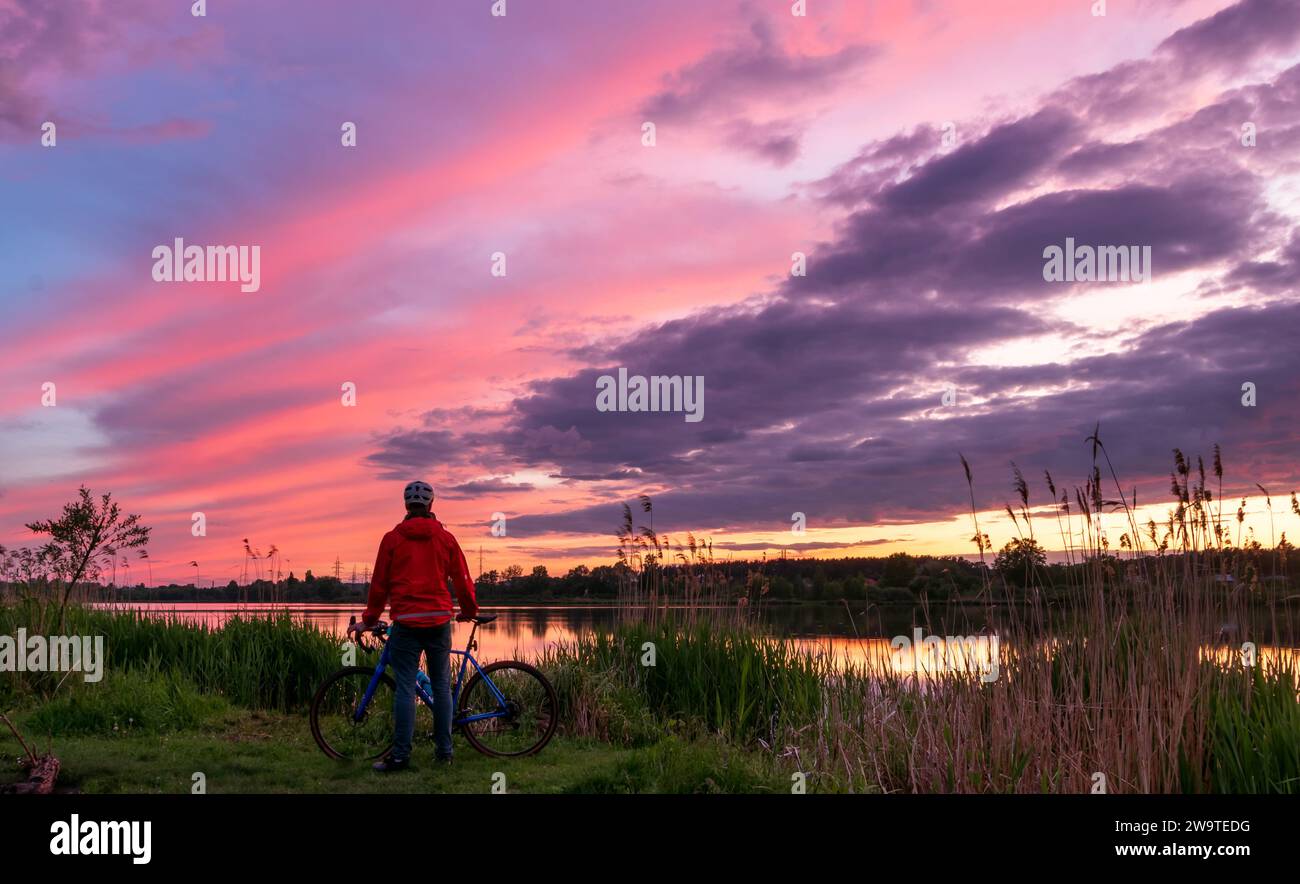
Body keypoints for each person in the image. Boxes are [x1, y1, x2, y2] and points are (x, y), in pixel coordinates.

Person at [351, 480, 478, 772]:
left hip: (406, 623)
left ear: (406, 506)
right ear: (431, 505)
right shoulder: (446, 539)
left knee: (405, 688)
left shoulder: (392, 539)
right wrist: (469, 610)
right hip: (438, 620)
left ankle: (400, 757)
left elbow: (379, 586)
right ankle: (444, 753)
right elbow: (462, 579)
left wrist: (368, 620)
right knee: (442, 687)